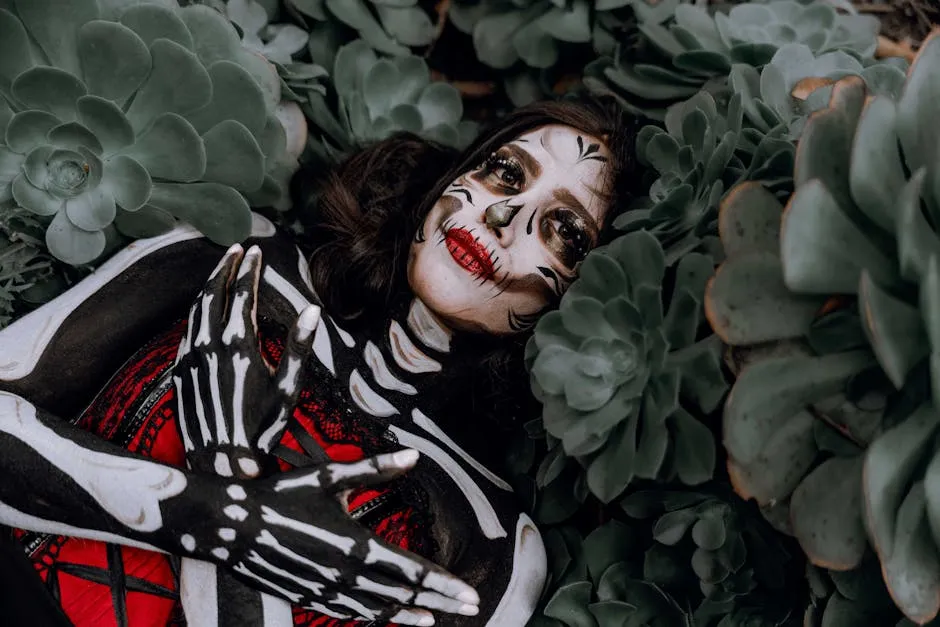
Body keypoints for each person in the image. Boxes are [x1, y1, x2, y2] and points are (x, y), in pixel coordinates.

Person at [0, 95, 638, 626]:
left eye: (565, 232)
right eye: (505, 171)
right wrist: (200, 512)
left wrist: (226, 463)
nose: (504, 216)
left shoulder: (494, 545)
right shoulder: (239, 257)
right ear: (455, 173)